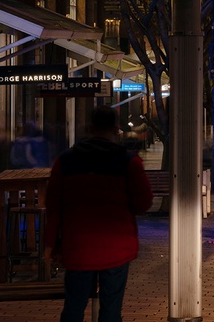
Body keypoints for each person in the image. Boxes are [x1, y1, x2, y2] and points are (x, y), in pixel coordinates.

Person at [44, 106, 153, 322]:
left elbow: (53, 205)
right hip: (117, 247)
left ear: (90, 128)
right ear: (116, 129)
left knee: (74, 308)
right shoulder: (128, 161)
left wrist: (50, 245)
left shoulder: (65, 161)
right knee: (111, 309)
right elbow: (143, 203)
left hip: (78, 247)